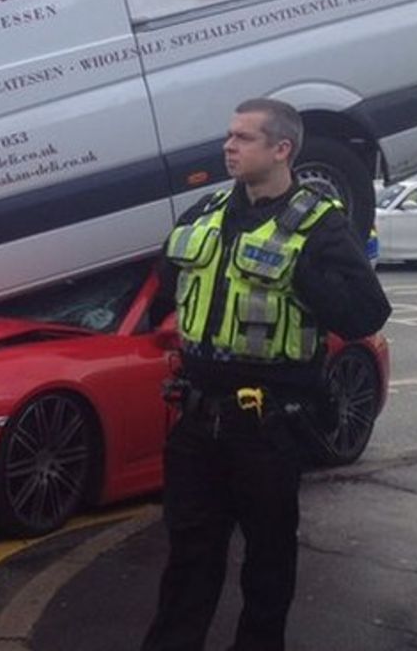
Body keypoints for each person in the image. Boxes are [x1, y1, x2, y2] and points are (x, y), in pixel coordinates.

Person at [142, 98, 390, 651]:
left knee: (268, 566)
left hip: (267, 426)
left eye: (243, 138)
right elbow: (165, 284)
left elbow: (367, 312)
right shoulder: (205, 212)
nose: (228, 146)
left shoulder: (321, 225)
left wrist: (302, 278)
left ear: (281, 150)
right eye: (228, 136)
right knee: (188, 559)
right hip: (196, 419)